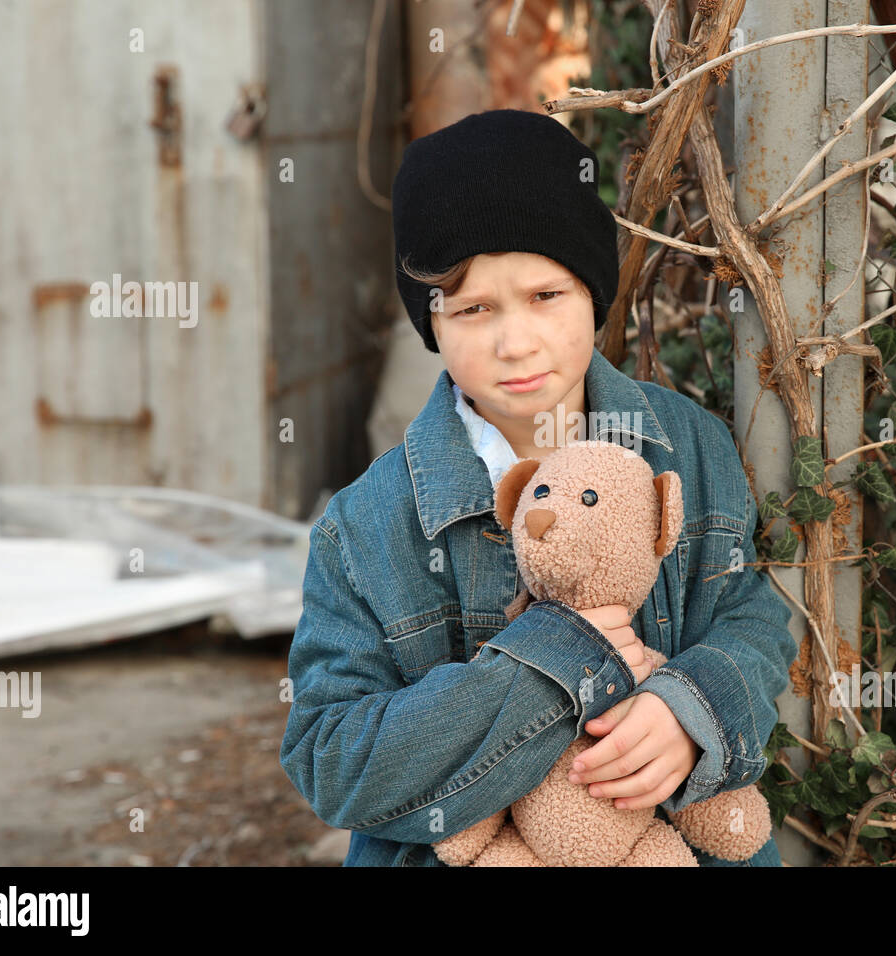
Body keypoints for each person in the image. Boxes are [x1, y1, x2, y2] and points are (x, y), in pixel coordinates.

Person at [279, 109, 796, 866]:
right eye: (473, 308)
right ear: (433, 321)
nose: (514, 341)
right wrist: (549, 664)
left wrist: (695, 710)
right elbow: (331, 758)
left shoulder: (689, 448)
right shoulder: (365, 527)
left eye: (545, 296)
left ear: (593, 291)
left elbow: (751, 619)